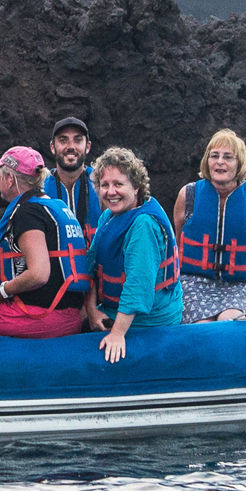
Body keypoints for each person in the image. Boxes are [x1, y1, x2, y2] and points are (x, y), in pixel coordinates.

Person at [0, 146, 89, 339]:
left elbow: (39, 274)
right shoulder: (56, 207)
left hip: (41, 317)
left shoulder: (27, 213)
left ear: (10, 179)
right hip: (71, 314)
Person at [80, 146, 182, 362]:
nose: (110, 192)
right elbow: (89, 266)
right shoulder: (108, 216)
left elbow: (138, 286)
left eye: (118, 184)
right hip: (109, 307)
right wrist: (91, 310)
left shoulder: (143, 225)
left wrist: (116, 334)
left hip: (148, 318)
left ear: (136, 187)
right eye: (104, 185)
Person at [173, 128, 246, 322]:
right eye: (214, 156)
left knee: (230, 323)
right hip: (193, 283)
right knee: (202, 327)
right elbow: (177, 246)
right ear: (207, 161)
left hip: (239, 284)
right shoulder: (187, 195)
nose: (220, 162)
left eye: (228, 157)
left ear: (239, 164)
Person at [41, 116, 98, 238]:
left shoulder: (103, 184)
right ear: (52, 147)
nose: (71, 146)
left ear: (87, 147)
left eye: (77, 140)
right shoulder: (39, 188)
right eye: (63, 140)